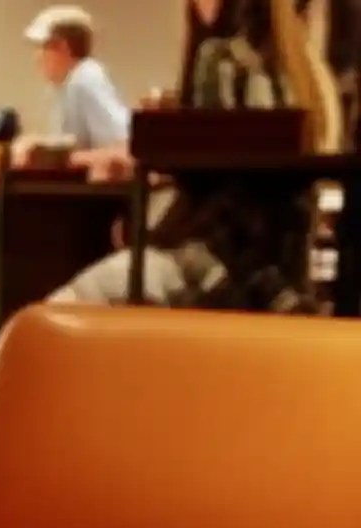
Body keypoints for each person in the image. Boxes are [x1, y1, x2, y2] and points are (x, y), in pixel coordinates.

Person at [49, 0, 330, 312]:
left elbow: (225, 216)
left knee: (55, 317)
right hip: (275, 280)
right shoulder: (304, 65)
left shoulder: (221, 59)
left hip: (222, 270)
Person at [19, 5, 130, 160]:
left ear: (62, 47)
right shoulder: (67, 85)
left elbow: (121, 147)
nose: (37, 58)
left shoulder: (86, 78)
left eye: (42, 47)